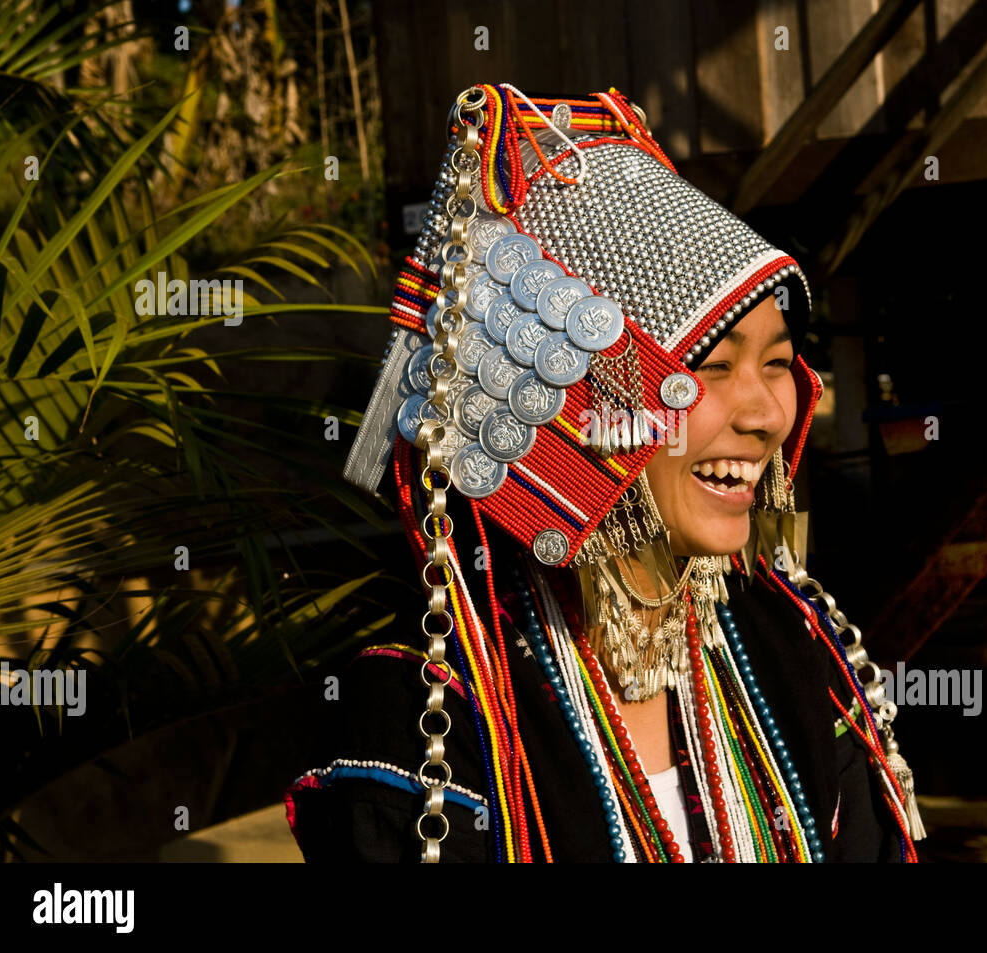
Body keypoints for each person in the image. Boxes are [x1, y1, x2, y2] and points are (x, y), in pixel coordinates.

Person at [286, 83, 923, 863]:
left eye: (781, 362)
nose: (767, 413)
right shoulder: (430, 716)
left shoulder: (793, 641)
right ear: (587, 399)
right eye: (713, 368)